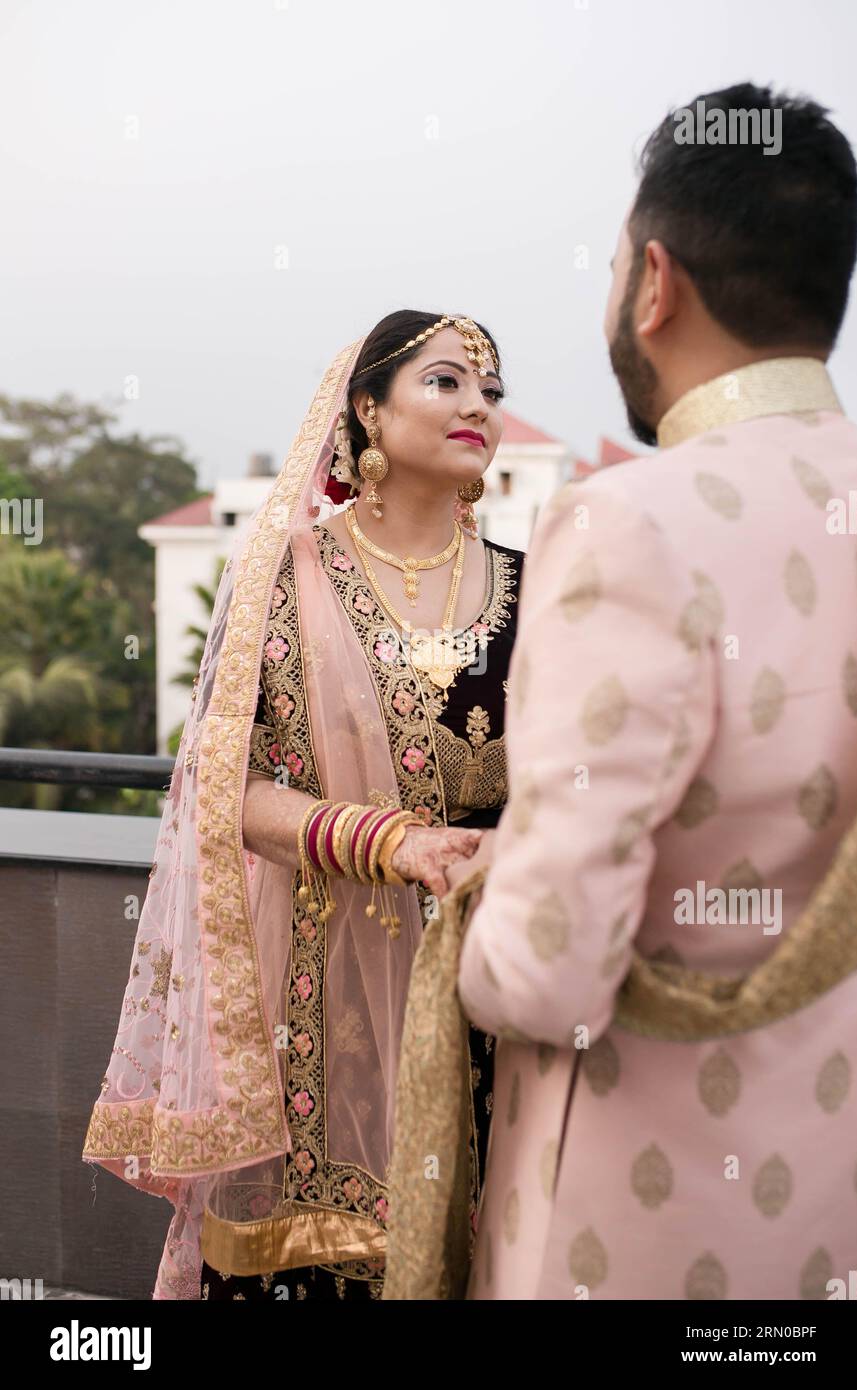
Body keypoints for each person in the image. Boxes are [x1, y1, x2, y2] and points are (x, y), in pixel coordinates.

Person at [433, 84, 857, 1299]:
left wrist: (475, 914)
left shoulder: (632, 523)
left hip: (646, 1211)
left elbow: (546, 971)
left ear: (654, 282)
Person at [81, 310, 525, 1300]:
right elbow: (219, 787)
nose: (477, 407)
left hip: (491, 983)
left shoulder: (532, 589)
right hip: (320, 1008)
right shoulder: (287, 577)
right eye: (446, 381)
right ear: (365, 408)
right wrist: (384, 840)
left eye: (490, 388)